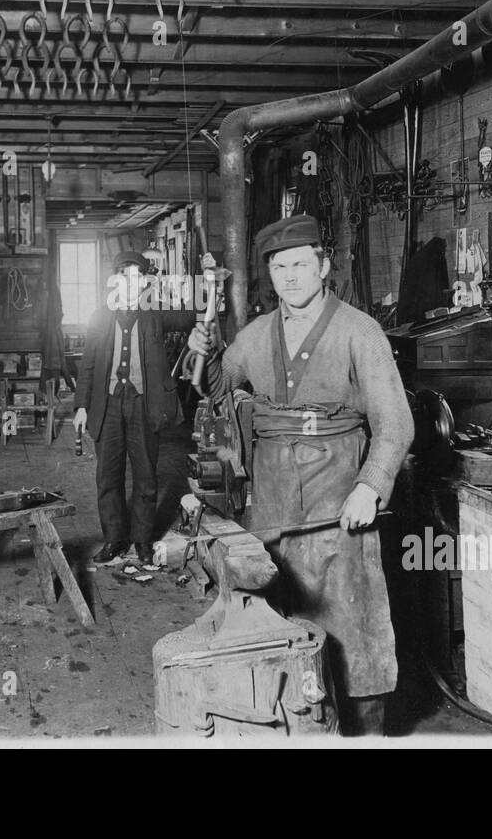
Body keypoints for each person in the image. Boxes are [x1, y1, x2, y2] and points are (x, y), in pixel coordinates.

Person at [186, 215, 415, 736]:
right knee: (278, 621)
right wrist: (204, 357)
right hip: (270, 503)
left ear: (323, 267)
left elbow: (396, 425)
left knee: (350, 625)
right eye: (279, 266)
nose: (289, 276)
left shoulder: (360, 331)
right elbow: (220, 388)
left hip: (338, 501)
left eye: (300, 264)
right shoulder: (258, 333)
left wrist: (371, 485)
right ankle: (291, 726)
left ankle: (364, 734)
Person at [74, 251, 193, 565]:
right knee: (107, 477)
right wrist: (81, 406)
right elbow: (87, 365)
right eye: (123, 275)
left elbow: (192, 315)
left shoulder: (155, 314)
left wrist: (208, 281)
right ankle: (114, 540)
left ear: (144, 281)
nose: (129, 281)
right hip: (108, 403)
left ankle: (142, 541)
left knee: (146, 476)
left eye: (135, 275)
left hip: (144, 404)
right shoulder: (101, 316)